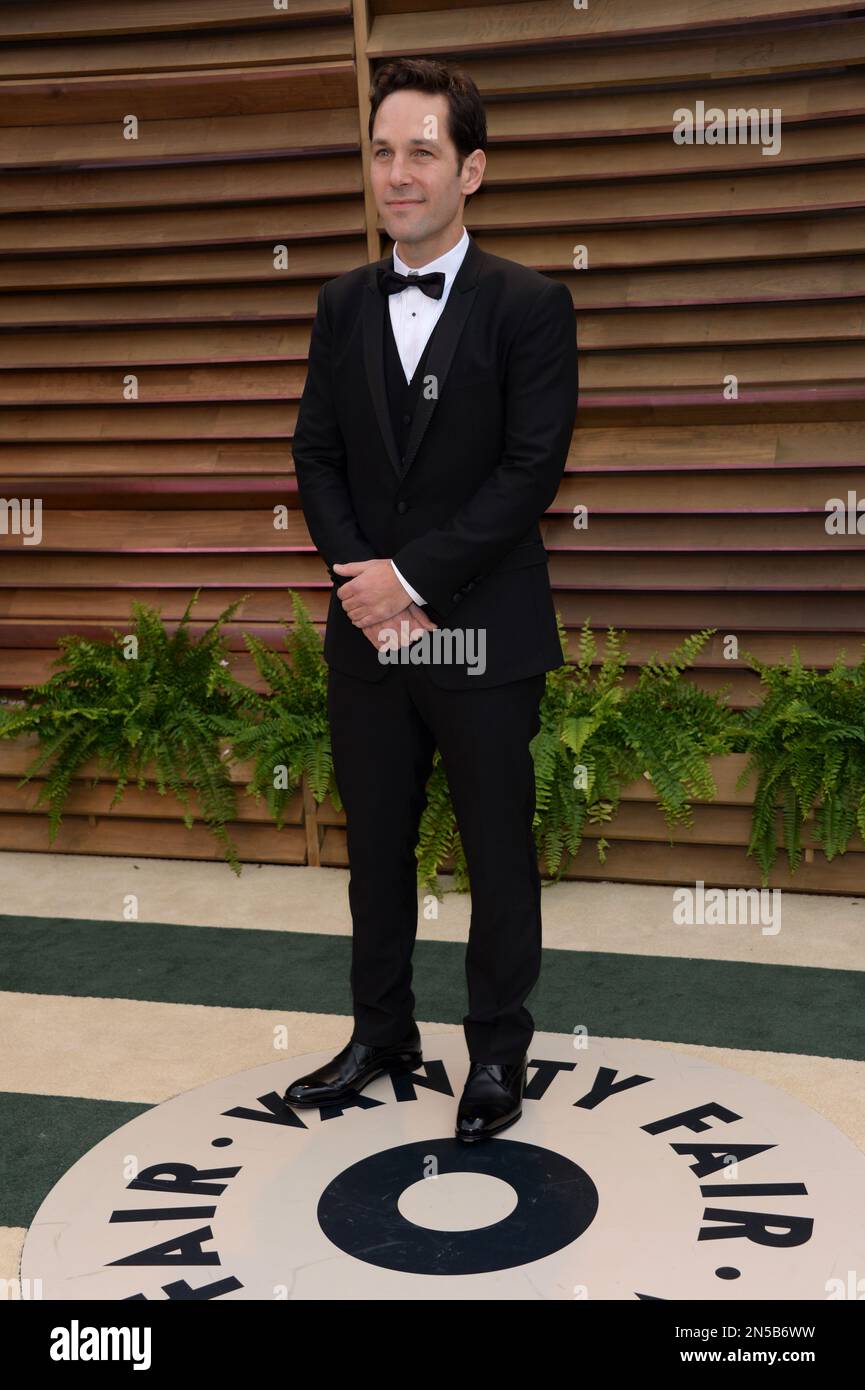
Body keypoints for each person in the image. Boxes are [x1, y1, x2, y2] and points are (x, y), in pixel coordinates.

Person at [283, 57, 578, 1140]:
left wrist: (409, 581)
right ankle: (380, 1032)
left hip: (483, 635)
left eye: (420, 151)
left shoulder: (531, 306)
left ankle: (495, 1051)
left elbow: (528, 473)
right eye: (380, 150)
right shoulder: (338, 303)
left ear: (472, 170)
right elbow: (315, 456)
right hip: (369, 639)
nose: (396, 173)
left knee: (497, 849)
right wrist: (366, 586)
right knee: (375, 846)